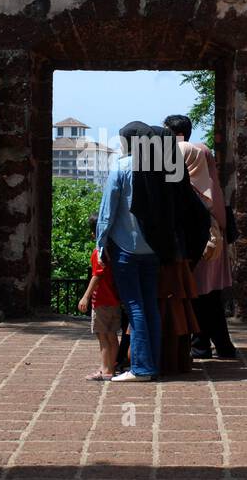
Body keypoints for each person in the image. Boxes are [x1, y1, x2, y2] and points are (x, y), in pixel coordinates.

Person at [164, 114, 238, 359]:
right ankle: (210, 344)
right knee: (208, 295)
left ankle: (204, 344)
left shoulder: (182, 168)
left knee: (198, 293)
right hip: (213, 234)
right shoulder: (203, 157)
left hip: (198, 239)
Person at [95, 122, 164, 382]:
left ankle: (141, 368)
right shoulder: (159, 166)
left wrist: (101, 244)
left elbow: (107, 211)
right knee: (149, 306)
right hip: (153, 247)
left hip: (126, 247)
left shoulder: (122, 167)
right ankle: (153, 363)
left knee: (134, 306)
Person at [77, 215, 121, 382]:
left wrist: (85, 297)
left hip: (101, 301)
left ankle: (105, 370)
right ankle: (111, 367)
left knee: (102, 336)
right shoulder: (115, 251)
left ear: (93, 235)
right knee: (112, 336)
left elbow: (96, 276)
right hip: (114, 301)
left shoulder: (99, 252)